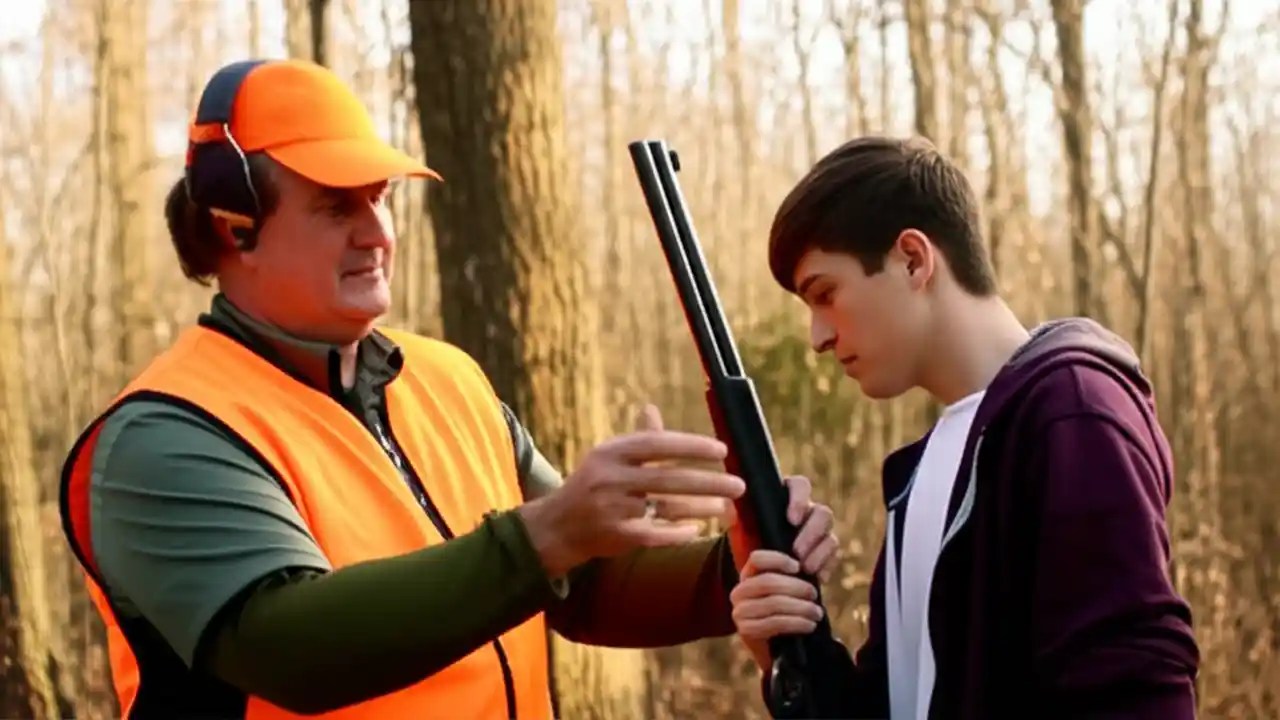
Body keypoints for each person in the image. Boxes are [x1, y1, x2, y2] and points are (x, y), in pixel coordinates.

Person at [56, 58, 840, 719]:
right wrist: (550, 534)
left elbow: (581, 587)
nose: (377, 233)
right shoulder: (165, 434)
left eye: (380, 198)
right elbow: (291, 649)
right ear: (234, 227)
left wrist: (740, 567)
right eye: (336, 206)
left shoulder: (447, 379)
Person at [727, 136, 1200, 719]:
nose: (818, 337)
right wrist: (792, 646)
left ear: (913, 259)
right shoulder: (921, 473)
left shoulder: (1073, 413)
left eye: (826, 294)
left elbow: (1134, 691)